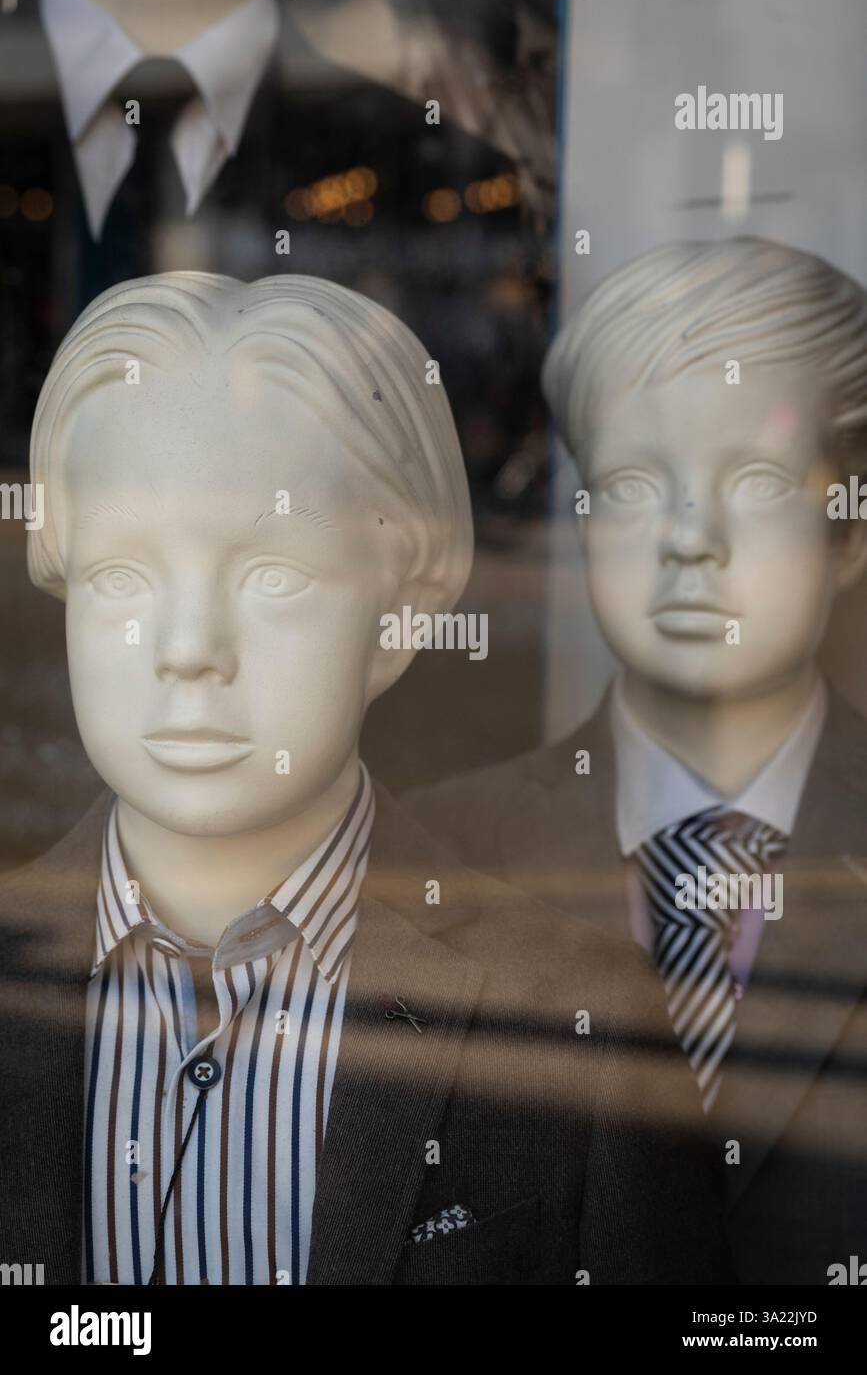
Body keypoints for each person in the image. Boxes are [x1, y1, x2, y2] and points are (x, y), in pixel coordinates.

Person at [0, 272, 730, 1285]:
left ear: (402, 616)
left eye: (273, 576)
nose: (189, 649)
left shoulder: (581, 1023)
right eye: (123, 575)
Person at [405, 237, 867, 1284]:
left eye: (754, 477)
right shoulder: (430, 859)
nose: (686, 538)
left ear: (847, 532)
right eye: (628, 484)